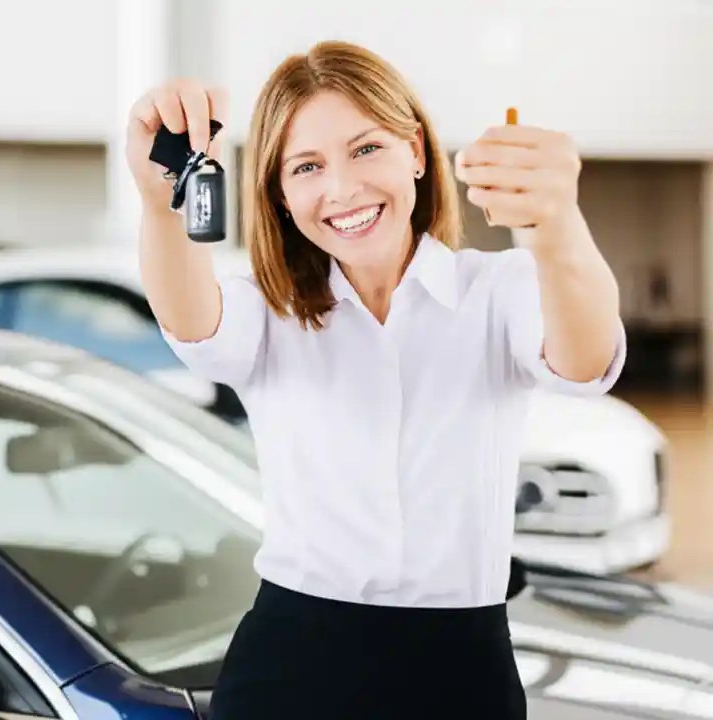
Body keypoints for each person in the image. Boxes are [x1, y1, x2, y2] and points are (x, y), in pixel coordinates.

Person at [125, 40, 624, 718]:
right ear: (279, 192)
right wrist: (161, 208)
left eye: (366, 150)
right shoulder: (268, 314)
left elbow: (586, 361)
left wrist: (558, 225)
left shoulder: (498, 293)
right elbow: (192, 324)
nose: (342, 189)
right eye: (306, 166)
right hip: (291, 667)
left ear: (416, 151)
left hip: (461, 670)